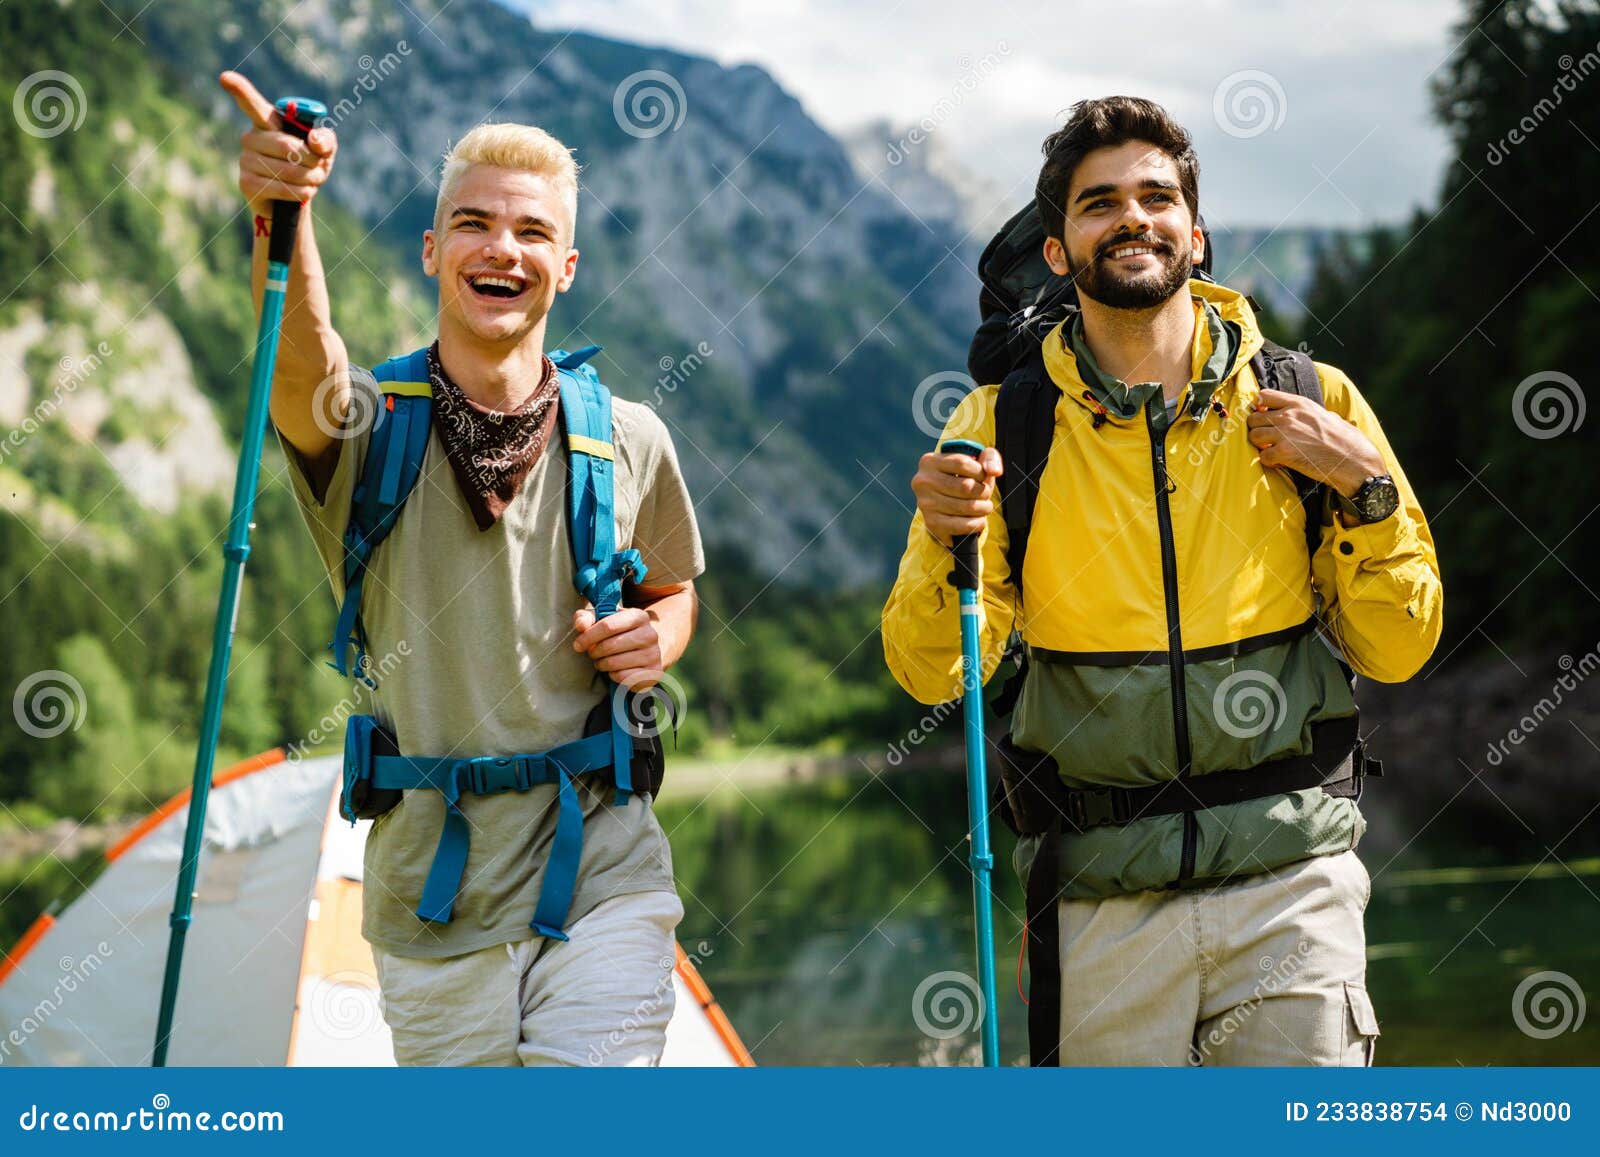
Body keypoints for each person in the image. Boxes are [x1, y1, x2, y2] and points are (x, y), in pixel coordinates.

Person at [881, 96, 1442, 1066]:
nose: (1131, 217)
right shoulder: (998, 424)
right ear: (1057, 250)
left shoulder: (1311, 400)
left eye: (1155, 195)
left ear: (1196, 232)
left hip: (1291, 887)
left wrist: (1364, 485)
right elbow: (936, 677)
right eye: (1099, 204)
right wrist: (945, 542)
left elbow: (1399, 643)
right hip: (1098, 902)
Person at [221, 71, 704, 1066]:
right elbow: (305, 363)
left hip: (606, 865)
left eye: (531, 232)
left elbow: (673, 589)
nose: (503, 249)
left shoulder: (631, 438)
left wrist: (656, 636)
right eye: (475, 224)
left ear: (563, 267)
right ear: (434, 250)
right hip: (432, 896)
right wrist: (288, 215)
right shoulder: (368, 426)